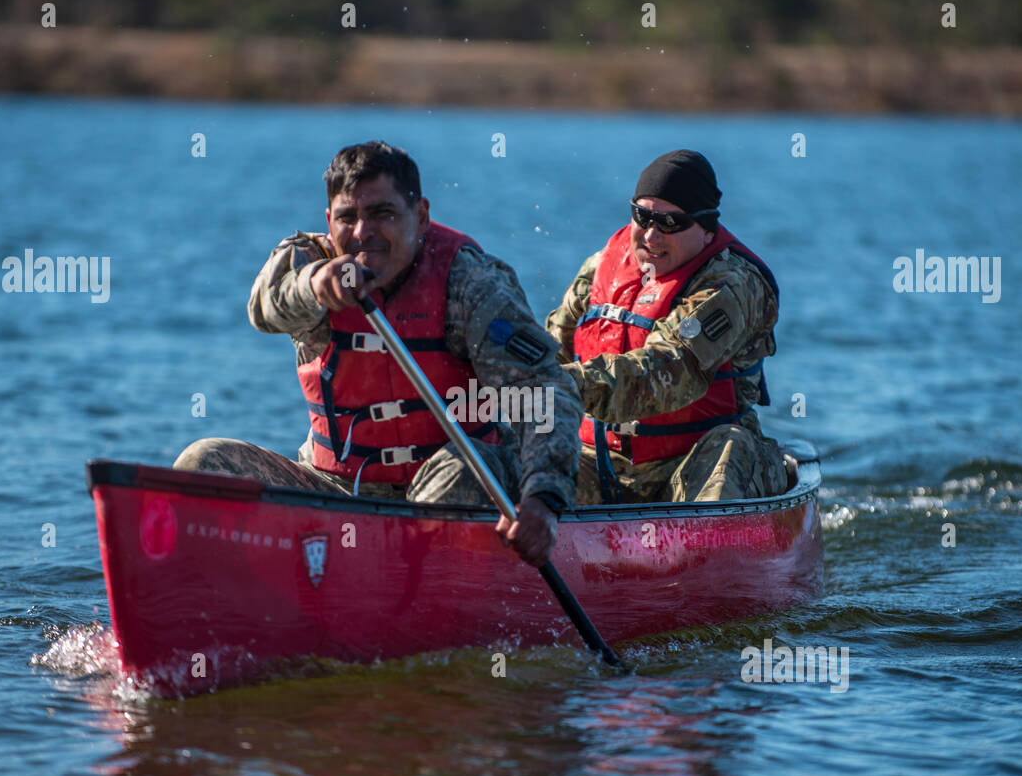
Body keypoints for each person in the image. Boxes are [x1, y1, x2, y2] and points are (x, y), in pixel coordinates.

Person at [174, 141, 581, 567]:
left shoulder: (472, 282)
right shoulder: (308, 262)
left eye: (383, 214)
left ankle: (403, 596)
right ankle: (196, 595)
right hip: (336, 489)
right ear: (329, 221)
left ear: (421, 216)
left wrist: (542, 498)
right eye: (348, 217)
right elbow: (263, 307)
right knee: (204, 461)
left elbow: (544, 391)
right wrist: (314, 285)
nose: (363, 232)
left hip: (454, 483)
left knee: (462, 473)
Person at [546, 149, 790, 505]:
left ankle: (707, 551)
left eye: (670, 224)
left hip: (690, 465)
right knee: (501, 459)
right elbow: (550, 349)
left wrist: (569, 385)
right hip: (598, 465)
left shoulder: (732, 286)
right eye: (642, 217)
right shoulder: (600, 267)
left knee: (730, 449)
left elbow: (670, 368)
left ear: (707, 231)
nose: (651, 235)